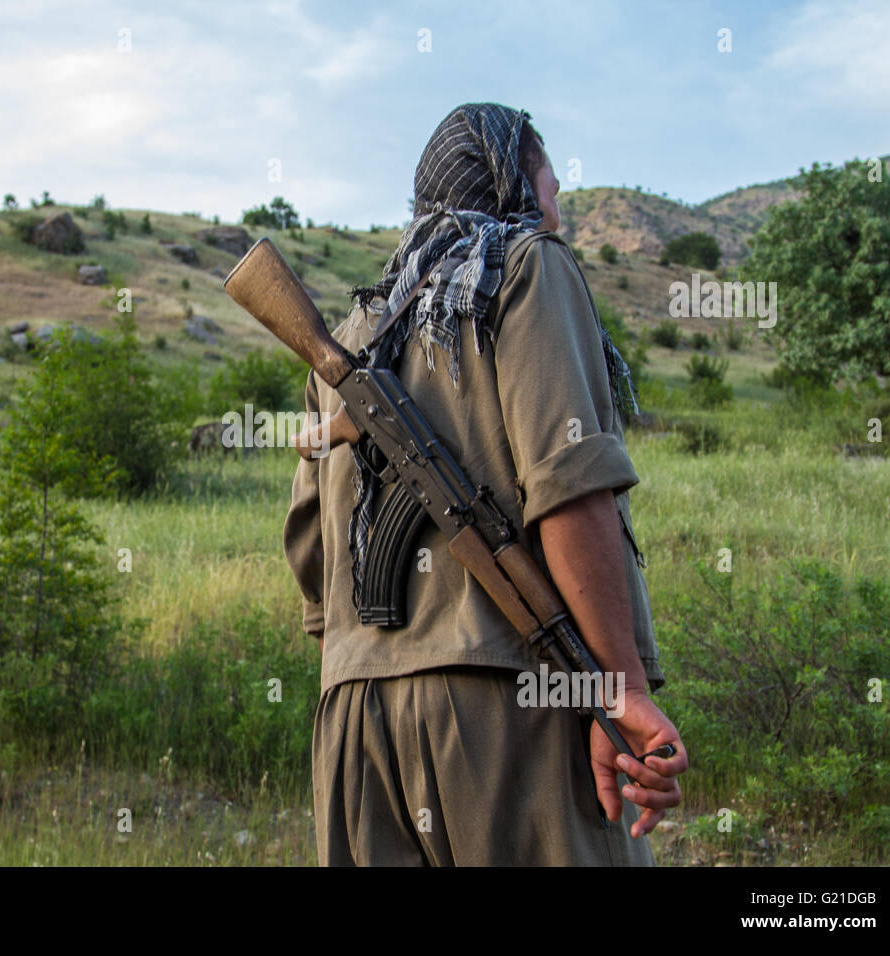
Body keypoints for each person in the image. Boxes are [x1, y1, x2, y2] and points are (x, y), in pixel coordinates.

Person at [283, 102, 689, 866]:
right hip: (510, 704)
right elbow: (570, 487)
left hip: (354, 726)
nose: (557, 212)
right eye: (553, 190)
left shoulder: (346, 340)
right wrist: (619, 690)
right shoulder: (525, 266)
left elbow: (312, 563)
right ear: (520, 187)